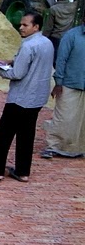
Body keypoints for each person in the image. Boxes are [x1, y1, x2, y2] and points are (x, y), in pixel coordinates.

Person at [0, 12, 54, 183]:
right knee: (26, 135)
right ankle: (23, 171)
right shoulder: (47, 43)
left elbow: (17, 73)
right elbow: (32, 63)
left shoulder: (28, 46)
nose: (21, 27)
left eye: (25, 25)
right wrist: (9, 61)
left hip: (21, 97)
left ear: (36, 26)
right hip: (37, 98)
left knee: (3, 134)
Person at [43, 22, 85, 158]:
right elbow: (61, 60)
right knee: (63, 117)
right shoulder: (72, 35)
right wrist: (58, 82)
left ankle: (77, 148)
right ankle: (53, 147)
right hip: (69, 83)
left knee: (81, 121)